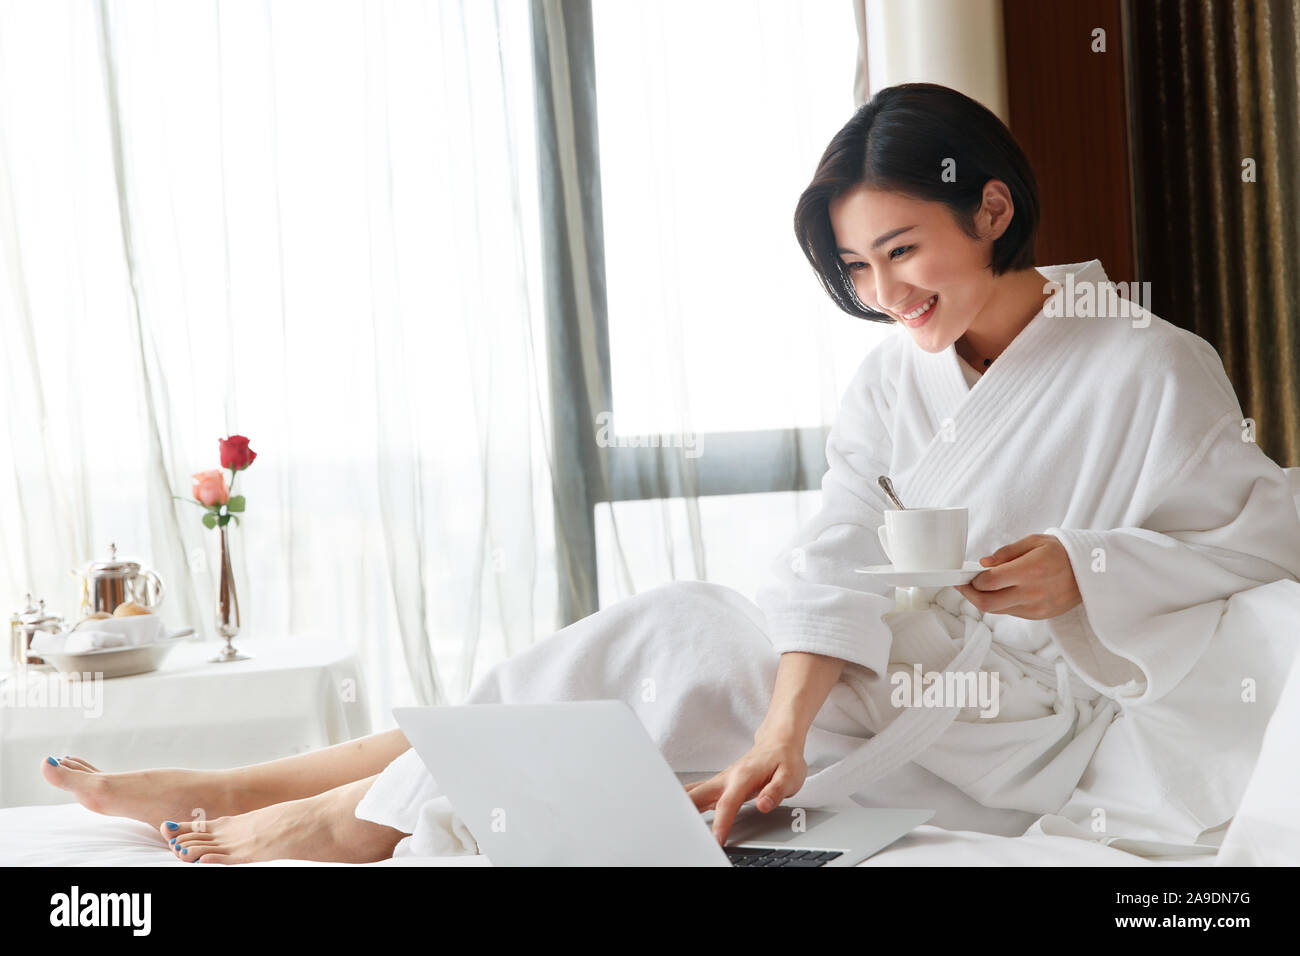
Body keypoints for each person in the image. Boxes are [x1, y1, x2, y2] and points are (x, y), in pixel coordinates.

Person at [42, 83, 1300, 864]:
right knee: (679, 633)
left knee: (671, 645)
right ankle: (283, 787)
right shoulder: (890, 381)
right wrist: (783, 729)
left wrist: (1085, 571)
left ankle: (329, 806)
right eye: (856, 272)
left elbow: (1261, 535)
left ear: (991, 209)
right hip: (878, 678)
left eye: (902, 249)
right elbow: (831, 557)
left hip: (1018, 720)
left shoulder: (1145, 362)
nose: (883, 294)